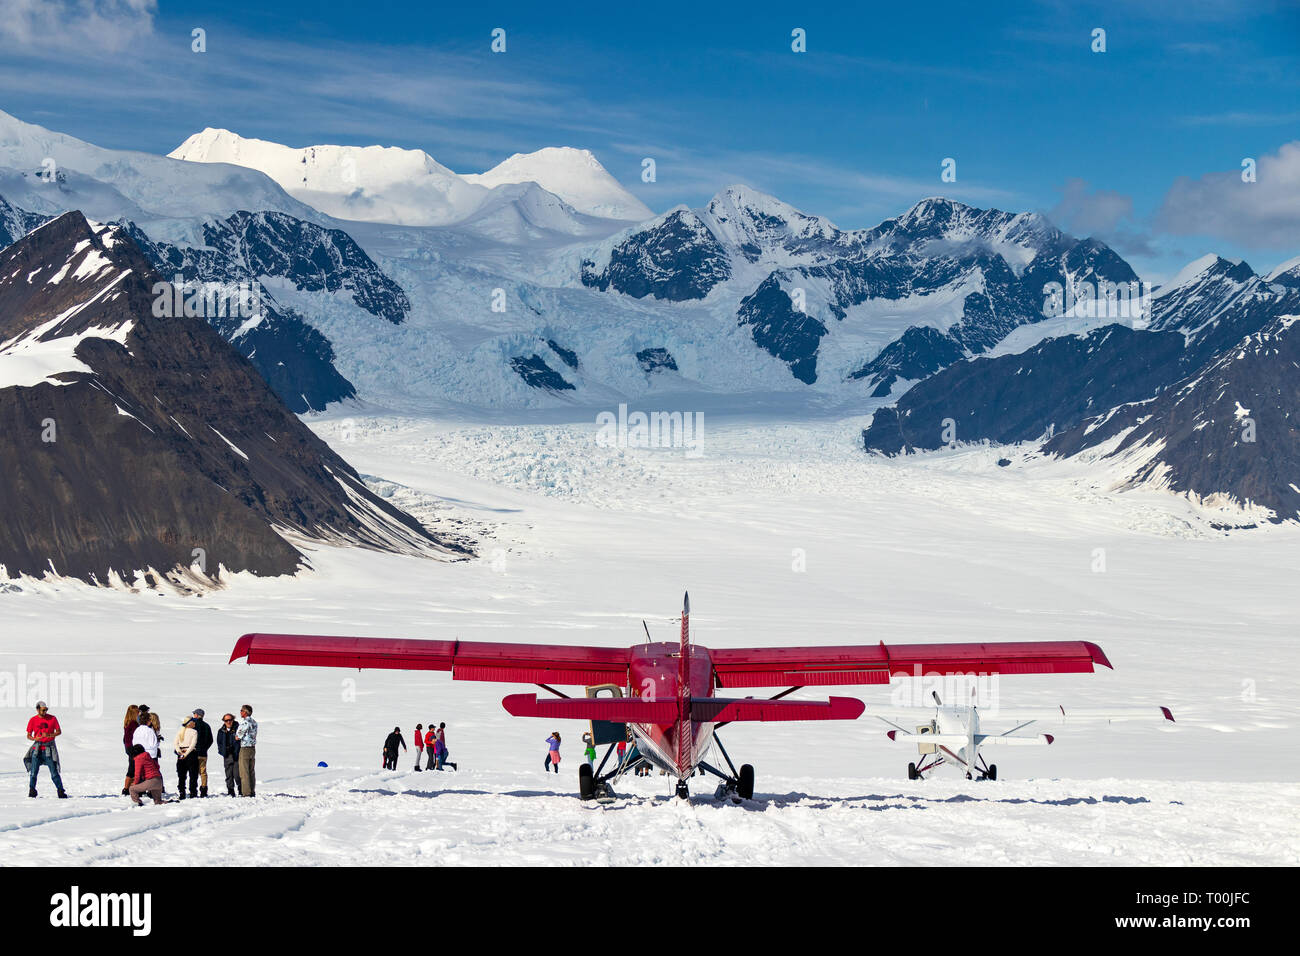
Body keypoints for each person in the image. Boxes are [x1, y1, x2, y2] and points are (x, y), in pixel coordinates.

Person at [25, 701, 67, 798]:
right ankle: (32, 790)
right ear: (38, 710)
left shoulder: (52, 718)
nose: (45, 712)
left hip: (49, 749)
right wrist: (35, 738)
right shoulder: (33, 720)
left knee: (54, 772)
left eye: (46, 710)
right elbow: (28, 735)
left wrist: (50, 735)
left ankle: (60, 791)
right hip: (37, 749)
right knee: (33, 772)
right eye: (43, 710)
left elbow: (59, 731)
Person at [234, 704, 257, 796]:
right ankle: (252, 790)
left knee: (244, 772)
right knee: (251, 771)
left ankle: (246, 792)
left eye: (241, 710)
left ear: (245, 712)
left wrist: (236, 736)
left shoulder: (245, 722)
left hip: (245, 748)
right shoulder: (254, 722)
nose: (240, 712)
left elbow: (238, 736)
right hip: (252, 748)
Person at [174, 718, 199, 799]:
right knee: (193, 774)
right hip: (191, 754)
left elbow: (176, 743)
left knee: (181, 775)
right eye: (193, 722)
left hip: (181, 753)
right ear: (190, 723)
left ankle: (182, 792)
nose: (195, 724)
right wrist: (186, 753)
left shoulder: (180, 731)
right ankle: (193, 792)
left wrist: (179, 752)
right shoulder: (194, 732)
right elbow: (192, 745)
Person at [190, 709, 214, 797]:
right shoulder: (207, 726)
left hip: (193, 753)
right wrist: (205, 748)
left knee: (193, 772)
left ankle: (193, 789)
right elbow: (210, 740)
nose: (193, 715)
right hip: (203, 753)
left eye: (194, 714)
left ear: (197, 715)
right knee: (203, 772)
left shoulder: (192, 725)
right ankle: (204, 788)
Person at [216, 713, 241, 796]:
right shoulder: (221, 731)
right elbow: (219, 742)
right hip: (227, 755)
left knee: (237, 774)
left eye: (230, 720)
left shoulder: (238, 729)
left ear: (233, 719)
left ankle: (240, 789)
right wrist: (222, 751)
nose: (228, 722)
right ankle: (230, 790)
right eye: (226, 720)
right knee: (228, 774)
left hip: (237, 755)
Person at [121, 704, 140, 795]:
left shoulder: (127, 722)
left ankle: (128, 787)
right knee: (133, 768)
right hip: (132, 747)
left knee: (132, 766)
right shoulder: (133, 723)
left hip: (128, 746)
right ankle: (127, 788)